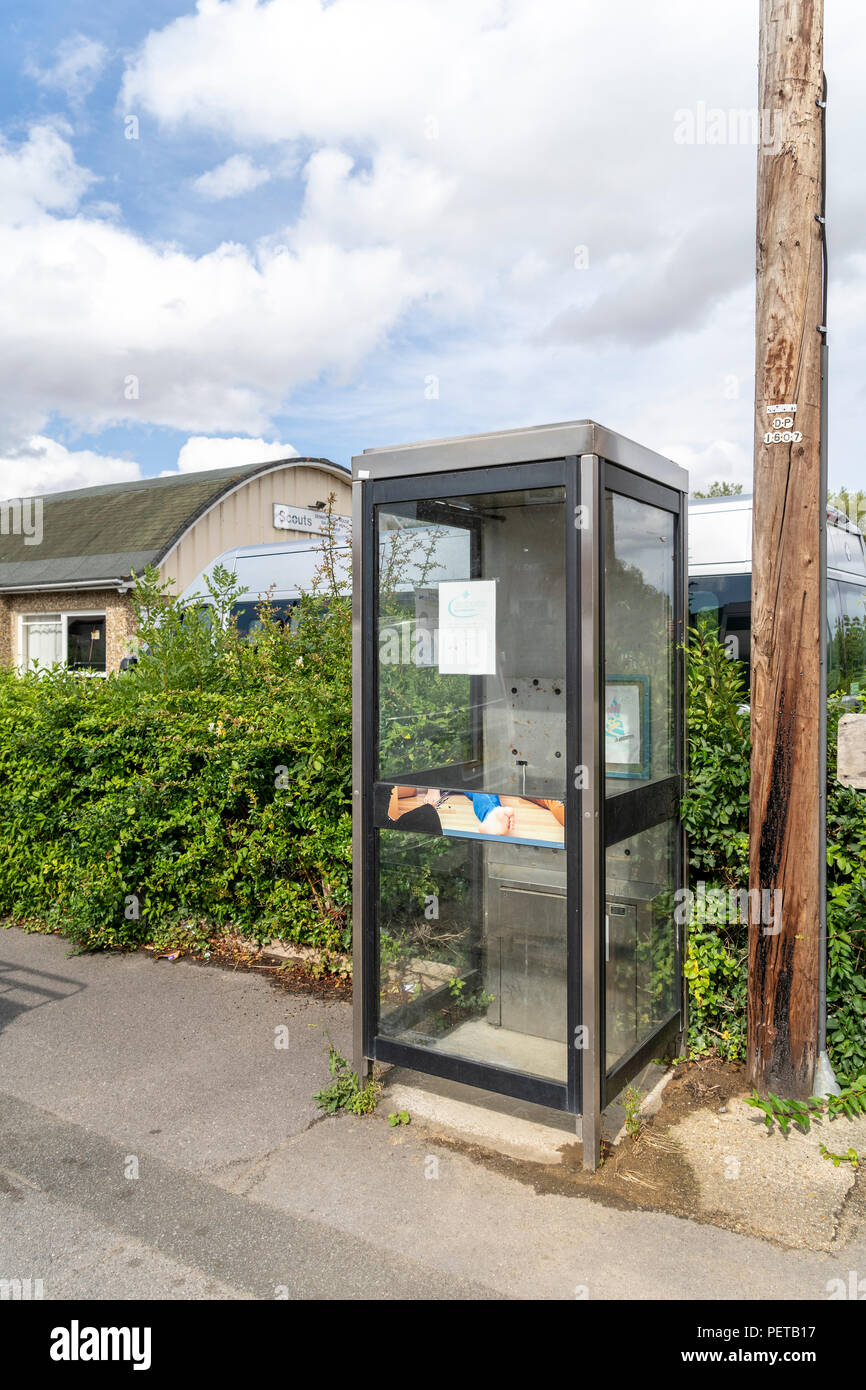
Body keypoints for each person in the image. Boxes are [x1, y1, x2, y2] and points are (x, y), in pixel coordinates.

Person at [424, 788, 515, 836]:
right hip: (443, 772)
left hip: (470, 772)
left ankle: (492, 815)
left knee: (481, 784)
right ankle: (433, 786)